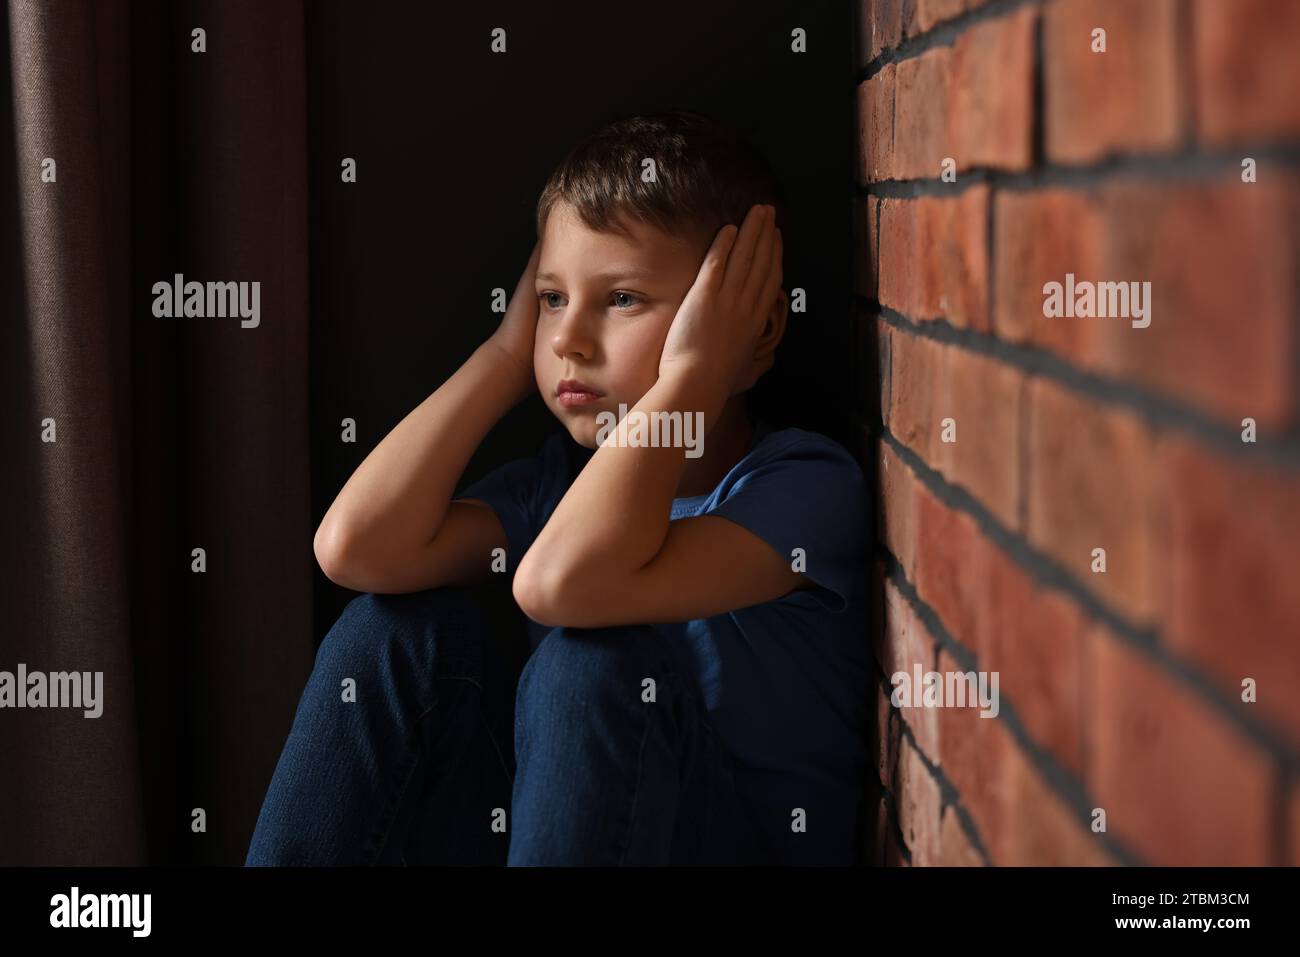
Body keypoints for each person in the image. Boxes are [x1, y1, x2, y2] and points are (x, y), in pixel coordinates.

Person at [245, 110, 871, 866]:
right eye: (551, 299)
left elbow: (563, 584)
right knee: (393, 632)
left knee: (588, 663)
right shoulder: (559, 489)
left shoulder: (802, 488)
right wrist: (508, 355)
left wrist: (695, 374)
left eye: (622, 299)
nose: (569, 337)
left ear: (754, 330)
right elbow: (356, 547)